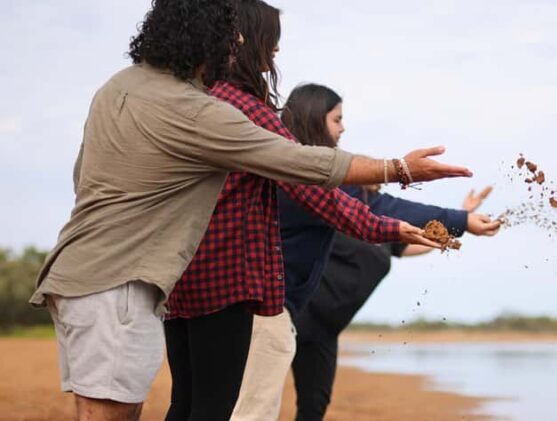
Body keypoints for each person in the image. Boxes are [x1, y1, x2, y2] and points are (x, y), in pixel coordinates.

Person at [29, 1, 471, 420]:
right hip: (172, 284)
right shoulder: (208, 109)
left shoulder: (119, 87)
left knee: (177, 406)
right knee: (198, 409)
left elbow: (83, 177)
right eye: (237, 37)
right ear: (217, 37)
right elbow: (305, 170)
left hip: (96, 277)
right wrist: (398, 169)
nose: (245, 46)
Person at [163, 2, 451, 419]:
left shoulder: (199, 99)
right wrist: (395, 183)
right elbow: (318, 189)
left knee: (186, 405)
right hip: (228, 286)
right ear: (243, 39)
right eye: (271, 41)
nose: (275, 52)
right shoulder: (249, 112)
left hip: (181, 279)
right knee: (216, 409)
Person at [229, 82, 500, 421]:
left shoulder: (332, 193)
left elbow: (404, 236)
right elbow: (389, 207)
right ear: (315, 119)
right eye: (337, 119)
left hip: (311, 323)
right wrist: (461, 219)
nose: (343, 128)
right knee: (252, 412)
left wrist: (457, 226)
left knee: (304, 408)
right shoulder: (309, 178)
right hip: (272, 311)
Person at [292, 186, 490, 421]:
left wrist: (462, 216)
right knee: (258, 394)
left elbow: (416, 243)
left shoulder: (382, 229)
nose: (377, 187)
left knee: (314, 406)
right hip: (297, 314)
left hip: (327, 331)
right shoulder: (336, 216)